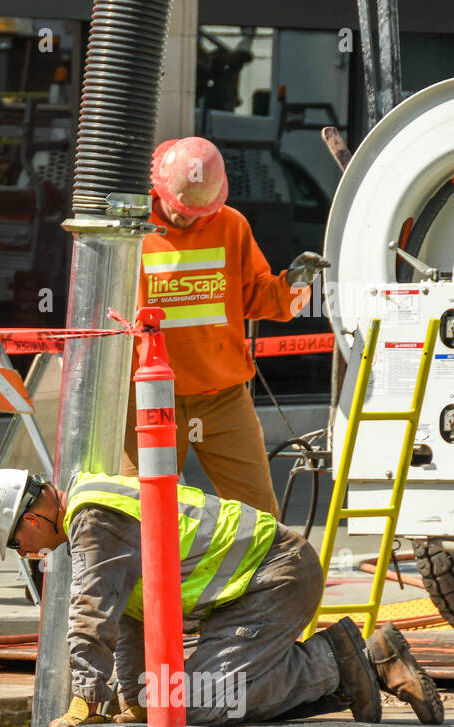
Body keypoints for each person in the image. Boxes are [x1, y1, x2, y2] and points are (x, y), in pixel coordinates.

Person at [0, 468, 443, 727]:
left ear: (30, 521)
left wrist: (88, 697)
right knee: (170, 701)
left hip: (273, 578)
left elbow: (92, 613)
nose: (24, 554)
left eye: (14, 545)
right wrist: (134, 697)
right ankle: (347, 668)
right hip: (253, 589)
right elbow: (134, 615)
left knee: (194, 703)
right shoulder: (96, 501)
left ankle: (349, 662)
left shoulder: (92, 520)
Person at [126, 136, 332, 514]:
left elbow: (259, 299)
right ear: (159, 188)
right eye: (179, 207)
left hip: (222, 398)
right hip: (147, 398)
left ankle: (263, 574)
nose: (186, 216)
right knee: (137, 515)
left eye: (197, 210)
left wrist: (295, 286)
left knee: (259, 518)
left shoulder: (231, 226)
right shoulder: (132, 232)